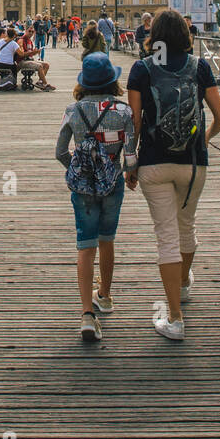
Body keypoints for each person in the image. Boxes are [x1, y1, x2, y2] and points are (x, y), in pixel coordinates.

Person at [126, 10, 220, 341]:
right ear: (185, 34)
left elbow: (136, 124)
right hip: (194, 163)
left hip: (154, 163)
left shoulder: (141, 68)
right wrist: (202, 140)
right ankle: (183, 284)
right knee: (187, 226)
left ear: (153, 34)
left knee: (166, 236)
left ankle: (175, 318)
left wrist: (130, 163)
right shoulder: (200, 66)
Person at [55, 53, 137, 343]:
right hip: (112, 182)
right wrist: (128, 172)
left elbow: (60, 152)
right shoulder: (125, 111)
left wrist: (77, 169)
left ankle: (87, 314)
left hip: (83, 187)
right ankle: (105, 295)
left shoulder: (72, 110)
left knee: (85, 245)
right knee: (107, 240)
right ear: (113, 81)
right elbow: (131, 155)